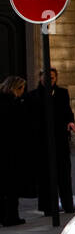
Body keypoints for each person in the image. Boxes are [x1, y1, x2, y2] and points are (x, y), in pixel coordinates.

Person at [30, 68, 75, 215]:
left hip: (60, 140)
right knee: (45, 176)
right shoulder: (33, 95)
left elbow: (67, 112)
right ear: (40, 78)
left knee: (63, 174)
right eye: (46, 78)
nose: (49, 80)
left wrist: (70, 122)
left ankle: (68, 205)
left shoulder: (62, 93)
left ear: (56, 79)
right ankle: (48, 208)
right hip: (42, 141)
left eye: (52, 78)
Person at [0, 76, 28, 225]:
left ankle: (4, 216)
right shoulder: (12, 103)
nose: (23, 92)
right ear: (16, 88)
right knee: (11, 187)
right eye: (22, 88)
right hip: (10, 151)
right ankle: (11, 217)